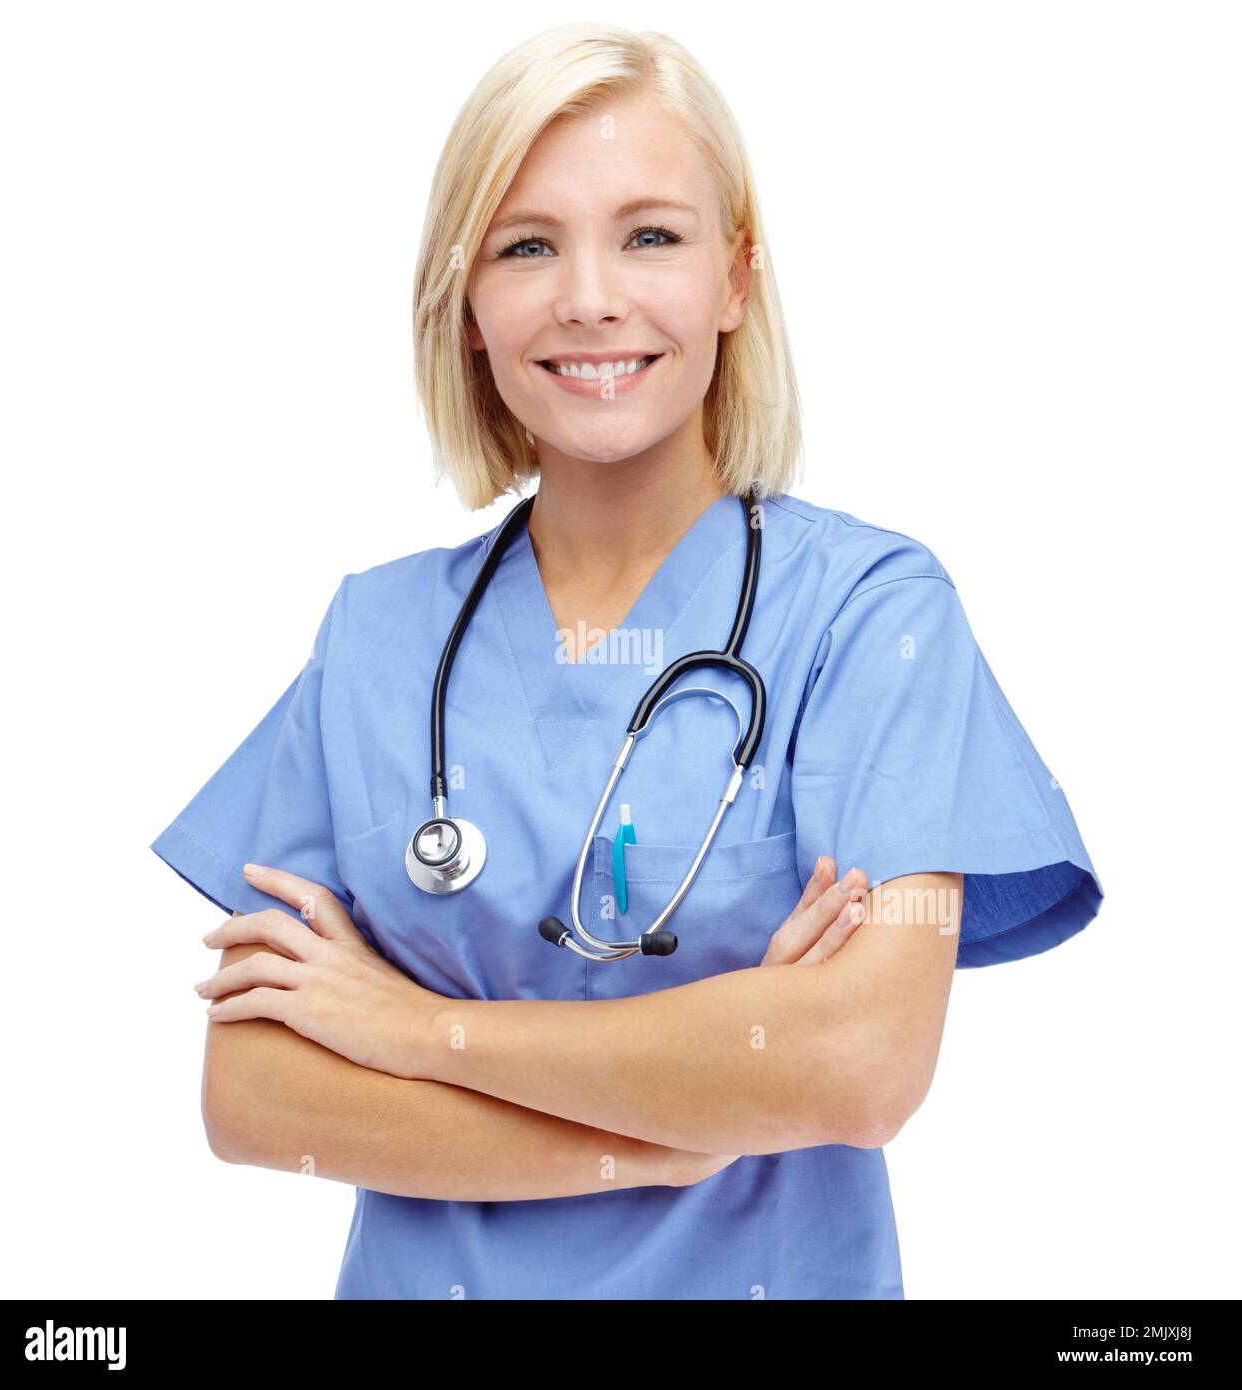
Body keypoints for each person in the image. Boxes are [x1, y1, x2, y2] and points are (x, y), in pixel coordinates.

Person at [151, 22, 1104, 1300]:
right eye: (526, 244)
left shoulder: (870, 614)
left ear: (735, 278)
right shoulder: (373, 639)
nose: (589, 295)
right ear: (469, 306)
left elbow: (861, 1064)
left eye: (650, 234)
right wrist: (687, 1119)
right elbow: (255, 1093)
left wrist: (408, 1028)